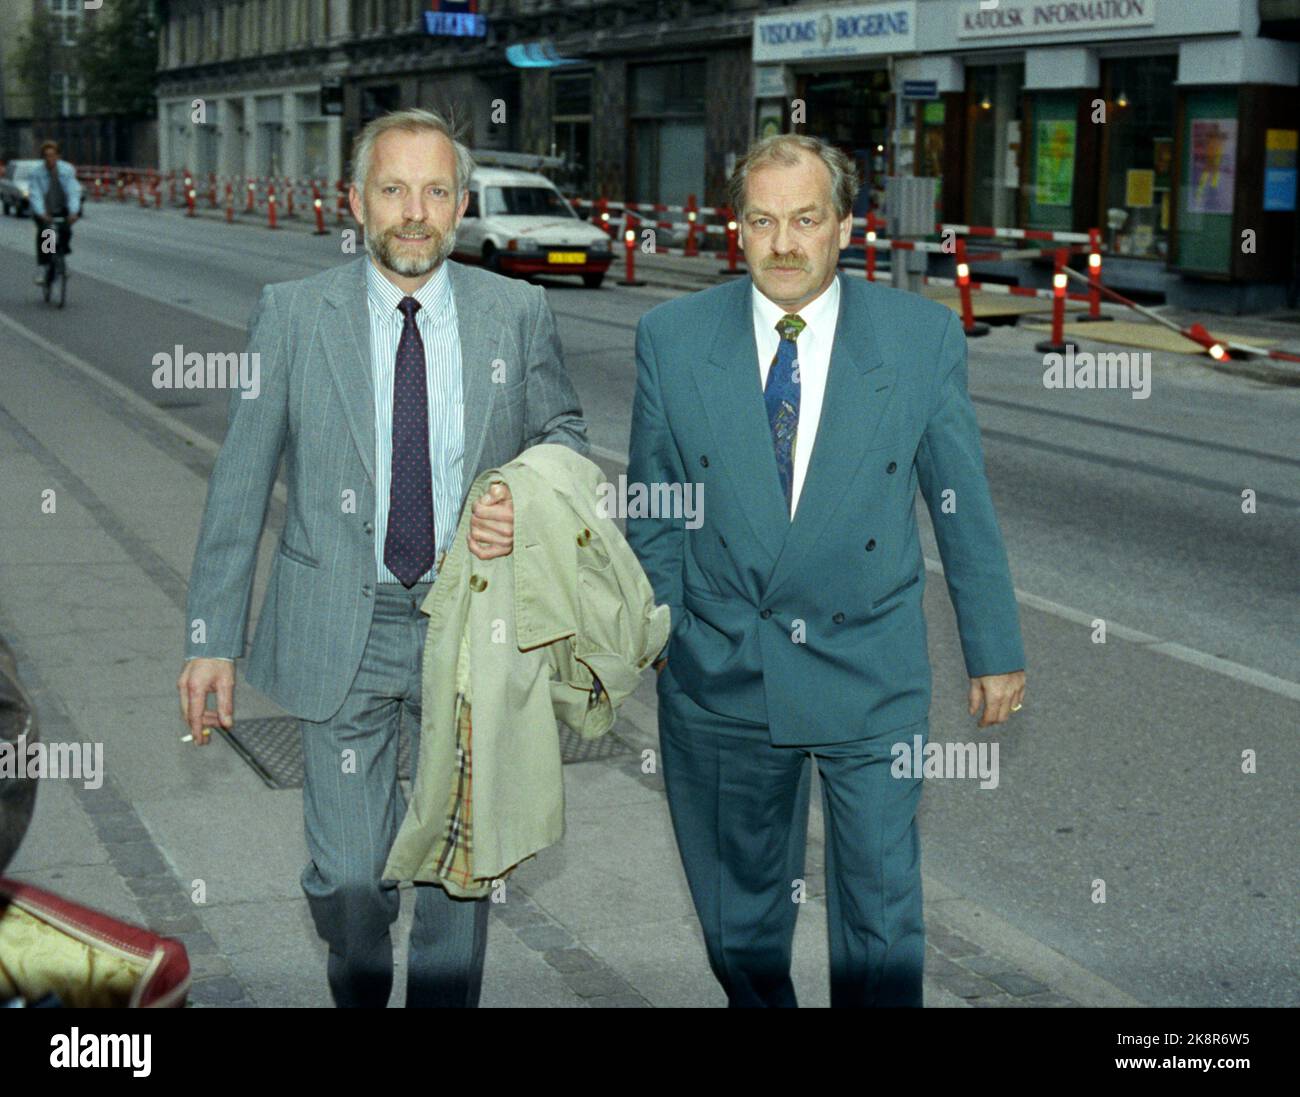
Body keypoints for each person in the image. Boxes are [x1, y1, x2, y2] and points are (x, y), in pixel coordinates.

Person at [177, 108, 587, 1007]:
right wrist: (212, 637)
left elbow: (562, 432)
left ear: (461, 204)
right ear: (355, 202)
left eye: (435, 191)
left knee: (456, 876)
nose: (414, 211)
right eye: (393, 189)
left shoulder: (516, 311)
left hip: (468, 627)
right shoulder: (291, 315)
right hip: (342, 628)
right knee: (351, 879)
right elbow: (240, 477)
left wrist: (523, 498)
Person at [626, 133, 1027, 1008]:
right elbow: (653, 504)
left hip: (867, 664)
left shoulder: (920, 339)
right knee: (739, 925)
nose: (783, 242)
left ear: (845, 226)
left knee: (882, 916)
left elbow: (960, 501)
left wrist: (994, 644)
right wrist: (663, 635)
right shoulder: (671, 336)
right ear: (736, 229)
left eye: (806, 219)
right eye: (762, 220)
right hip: (724, 662)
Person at [29, 140, 81, 285]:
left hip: (62, 209)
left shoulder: (67, 170)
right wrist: (41, 213)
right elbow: (35, 194)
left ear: (58, 156)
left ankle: (61, 258)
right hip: (45, 210)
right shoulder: (36, 173)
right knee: (46, 233)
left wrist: (73, 211)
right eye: (46, 156)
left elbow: (73, 192)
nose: (49, 159)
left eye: (52, 155)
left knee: (66, 230)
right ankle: (44, 266)